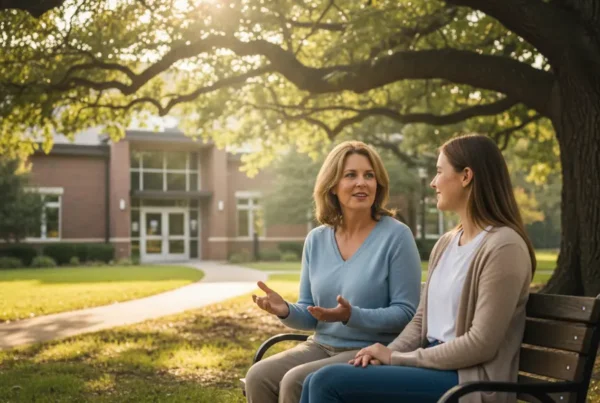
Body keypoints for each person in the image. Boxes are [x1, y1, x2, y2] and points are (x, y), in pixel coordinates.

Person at [300, 134, 536, 403]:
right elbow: (420, 321)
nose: (434, 183)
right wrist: (383, 353)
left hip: (469, 380)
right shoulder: (446, 244)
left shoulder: (504, 247)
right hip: (431, 366)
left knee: (327, 381)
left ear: (466, 176)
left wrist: (397, 357)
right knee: (313, 381)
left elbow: (480, 344)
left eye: (438, 172)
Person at [244, 141, 422, 403]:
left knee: (295, 380)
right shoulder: (316, 239)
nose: (362, 182)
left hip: (370, 350)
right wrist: (285, 310)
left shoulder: (397, 236)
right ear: (332, 186)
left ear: (378, 184)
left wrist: (352, 315)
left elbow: (406, 313)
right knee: (258, 375)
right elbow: (311, 315)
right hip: (320, 345)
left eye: (369, 175)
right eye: (351, 175)